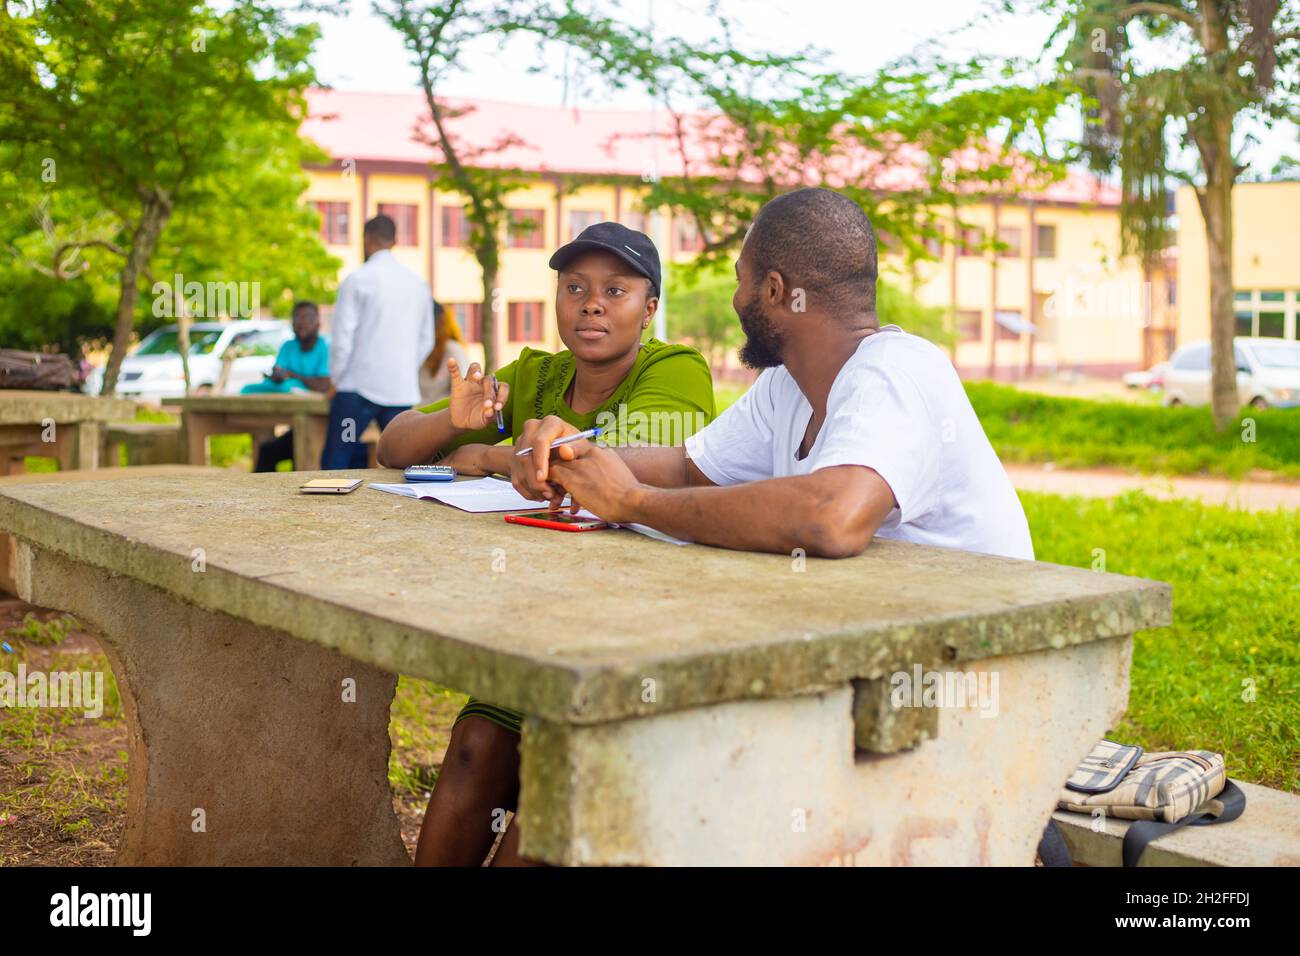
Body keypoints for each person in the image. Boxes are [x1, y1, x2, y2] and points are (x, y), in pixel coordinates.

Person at [380, 221, 716, 867]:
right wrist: (458, 425)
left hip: (630, 634)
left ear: (648, 310)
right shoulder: (535, 372)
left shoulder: (674, 369)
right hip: (537, 625)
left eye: (615, 290)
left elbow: (605, 464)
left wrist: (490, 453)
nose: (591, 303)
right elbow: (393, 447)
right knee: (477, 744)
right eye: (574, 287)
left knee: (555, 788)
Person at [514, 187, 1034, 564]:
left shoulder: (897, 369)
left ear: (775, 291)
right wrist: (577, 456)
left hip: (974, 668)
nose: (735, 299)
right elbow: (691, 468)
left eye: (742, 282)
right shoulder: (790, 385)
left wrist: (633, 502)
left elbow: (831, 519)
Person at [321, 214, 434, 469]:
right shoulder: (418, 284)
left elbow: (342, 338)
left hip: (356, 387)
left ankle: (324, 509)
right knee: (404, 464)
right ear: (395, 241)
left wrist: (336, 380)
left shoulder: (357, 279)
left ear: (367, 239)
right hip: (400, 388)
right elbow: (427, 338)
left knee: (337, 460)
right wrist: (404, 366)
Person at [241, 301, 331, 473]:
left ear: (318, 323)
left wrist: (293, 375)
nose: (301, 322)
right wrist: (278, 376)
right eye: (297, 318)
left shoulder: (326, 347)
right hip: (297, 420)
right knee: (267, 451)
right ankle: (261, 497)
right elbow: (281, 374)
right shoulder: (288, 346)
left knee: (301, 451)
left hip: (323, 425)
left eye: (307, 318)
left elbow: (324, 384)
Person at [416, 301, 471, 406]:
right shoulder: (417, 349)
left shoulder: (452, 350)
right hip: (417, 416)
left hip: (443, 417)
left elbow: (465, 390)